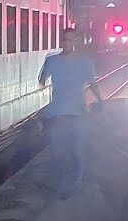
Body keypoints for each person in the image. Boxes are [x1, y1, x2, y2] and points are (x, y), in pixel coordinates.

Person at [38, 28, 103, 198]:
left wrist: (100, 100)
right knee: (59, 154)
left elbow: (93, 84)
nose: (66, 43)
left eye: (70, 40)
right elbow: (42, 80)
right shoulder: (52, 60)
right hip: (58, 114)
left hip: (78, 113)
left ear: (75, 41)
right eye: (64, 40)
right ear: (61, 41)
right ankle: (65, 185)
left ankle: (73, 186)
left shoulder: (85, 62)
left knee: (77, 153)